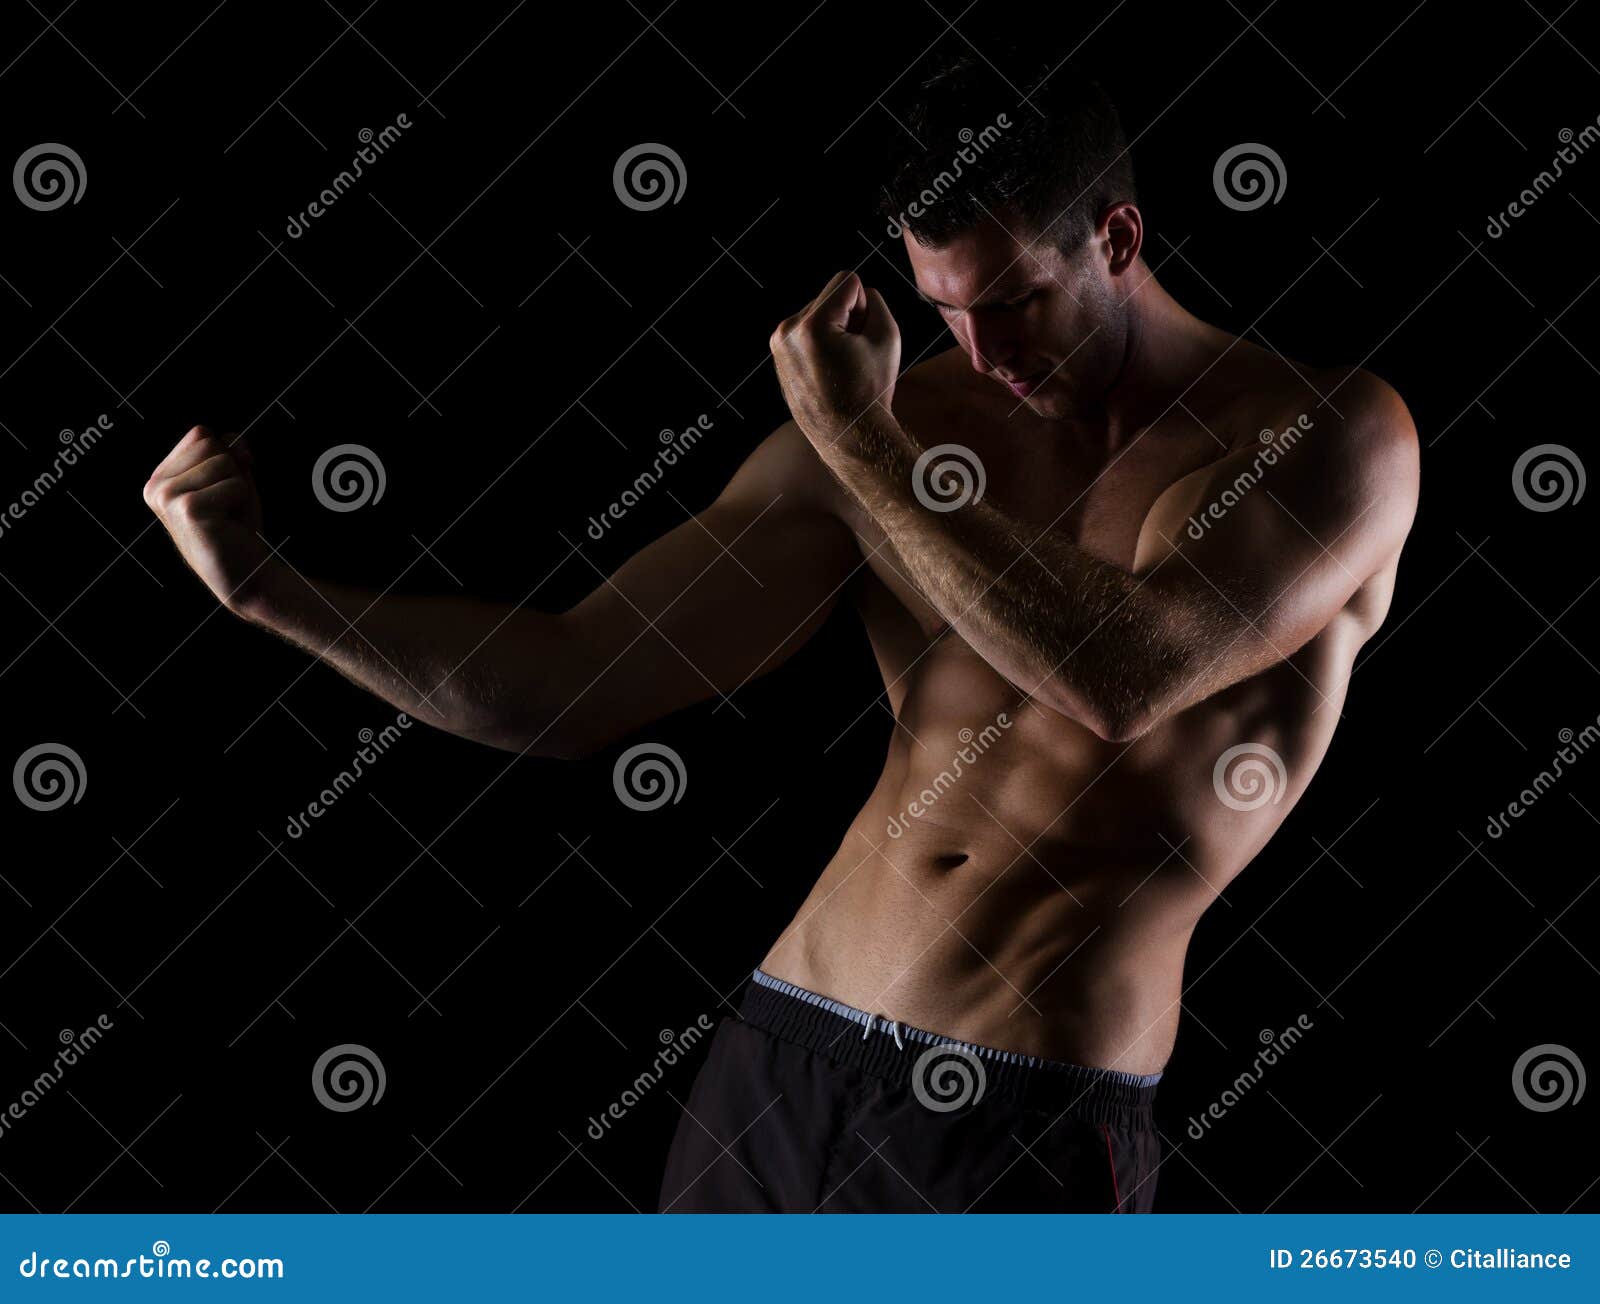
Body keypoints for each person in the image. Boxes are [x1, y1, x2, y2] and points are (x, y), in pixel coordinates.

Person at [143, 62, 1417, 1212]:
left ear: (1118, 235)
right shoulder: (916, 423)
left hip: (1019, 1112)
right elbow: (570, 682)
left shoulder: (1324, 437)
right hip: (781, 1053)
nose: (984, 350)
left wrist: (865, 448)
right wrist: (269, 591)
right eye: (945, 307)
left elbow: (1123, 672)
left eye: (1018, 298)